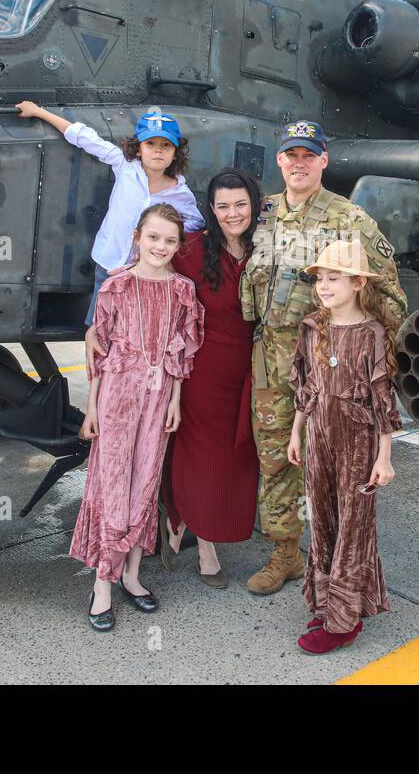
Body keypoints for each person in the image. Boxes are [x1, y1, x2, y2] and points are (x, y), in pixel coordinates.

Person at [239, 120, 406, 596]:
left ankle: (335, 563)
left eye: (308, 156)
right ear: (279, 161)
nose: (299, 163)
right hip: (270, 362)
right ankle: (285, 555)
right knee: (275, 461)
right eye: (291, 155)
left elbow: (390, 297)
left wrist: (374, 367)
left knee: (331, 468)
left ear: (324, 161)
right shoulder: (265, 212)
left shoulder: (349, 219)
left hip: (326, 365)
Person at [68, 203, 204, 632]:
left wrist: (175, 401)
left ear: (178, 245)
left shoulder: (183, 290)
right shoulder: (117, 286)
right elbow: (99, 354)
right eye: (153, 237)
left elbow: (182, 354)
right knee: (112, 483)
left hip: (160, 393)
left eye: (169, 240)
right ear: (137, 238)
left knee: (144, 481)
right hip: (117, 394)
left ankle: (131, 575)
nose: (160, 246)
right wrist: (91, 408)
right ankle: (102, 582)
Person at [14, 101, 203, 376]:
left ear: (175, 153)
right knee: (98, 333)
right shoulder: (125, 167)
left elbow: (196, 224)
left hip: (144, 275)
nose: (158, 150)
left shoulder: (180, 194)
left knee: (133, 337)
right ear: (139, 147)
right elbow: (84, 137)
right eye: (151, 144)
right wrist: (39, 112)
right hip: (109, 266)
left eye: (166, 145)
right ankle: (100, 391)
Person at [287, 238, 401, 654]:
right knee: (322, 520)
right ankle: (327, 601)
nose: (325, 286)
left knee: (354, 526)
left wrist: (384, 458)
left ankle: (342, 622)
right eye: (321, 279)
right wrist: (296, 431)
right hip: (318, 433)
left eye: (335, 278)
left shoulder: (372, 333)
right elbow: (306, 386)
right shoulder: (313, 327)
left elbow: (382, 400)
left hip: (358, 438)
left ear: (357, 283)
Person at [160, 169, 262, 588]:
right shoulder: (192, 250)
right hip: (205, 369)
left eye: (240, 204)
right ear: (211, 209)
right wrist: (98, 321)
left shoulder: (269, 249)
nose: (232, 213)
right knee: (204, 456)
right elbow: (144, 270)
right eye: (223, 206)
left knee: (240, 457)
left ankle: (176, 524)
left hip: (255, 369)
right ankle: (205, 547)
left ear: (253, 205)